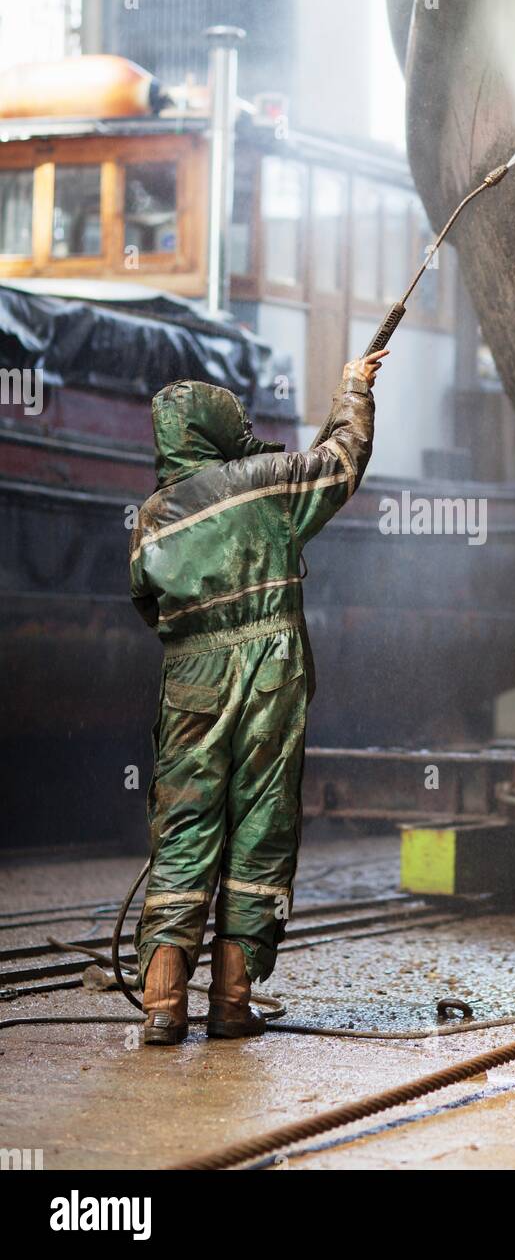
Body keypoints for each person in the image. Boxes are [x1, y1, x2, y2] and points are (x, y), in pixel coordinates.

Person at [128, 350, 386, 1044]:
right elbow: (341, 462)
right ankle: (232, 1003)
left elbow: (147, 605)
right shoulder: (265, 483)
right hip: (271, 669)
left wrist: (201, 643)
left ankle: (162, 1006)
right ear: (218, 428)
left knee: (183, 831)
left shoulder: (152, 518)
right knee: (261, 825)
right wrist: (354, 387)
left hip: (191, 682)